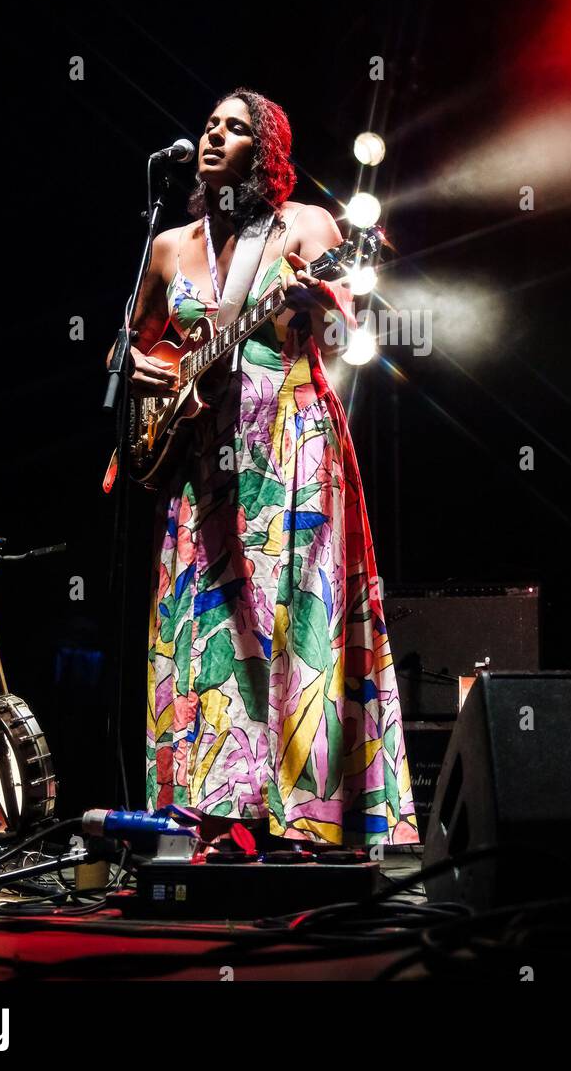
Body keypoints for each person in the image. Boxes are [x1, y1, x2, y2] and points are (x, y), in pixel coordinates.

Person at [122, 87, 418, 849]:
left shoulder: (304, 225)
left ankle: (309, 815)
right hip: (202, 465)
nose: (214, 134)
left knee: (294, 626)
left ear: (266, 149)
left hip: (290, 444)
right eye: (211, 123)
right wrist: (141, 365)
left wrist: (317, 290)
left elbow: (352, 300)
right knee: (214, 631)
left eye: (236, 127)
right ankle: (222, 811)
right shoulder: (168, 245)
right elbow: (136, 342)